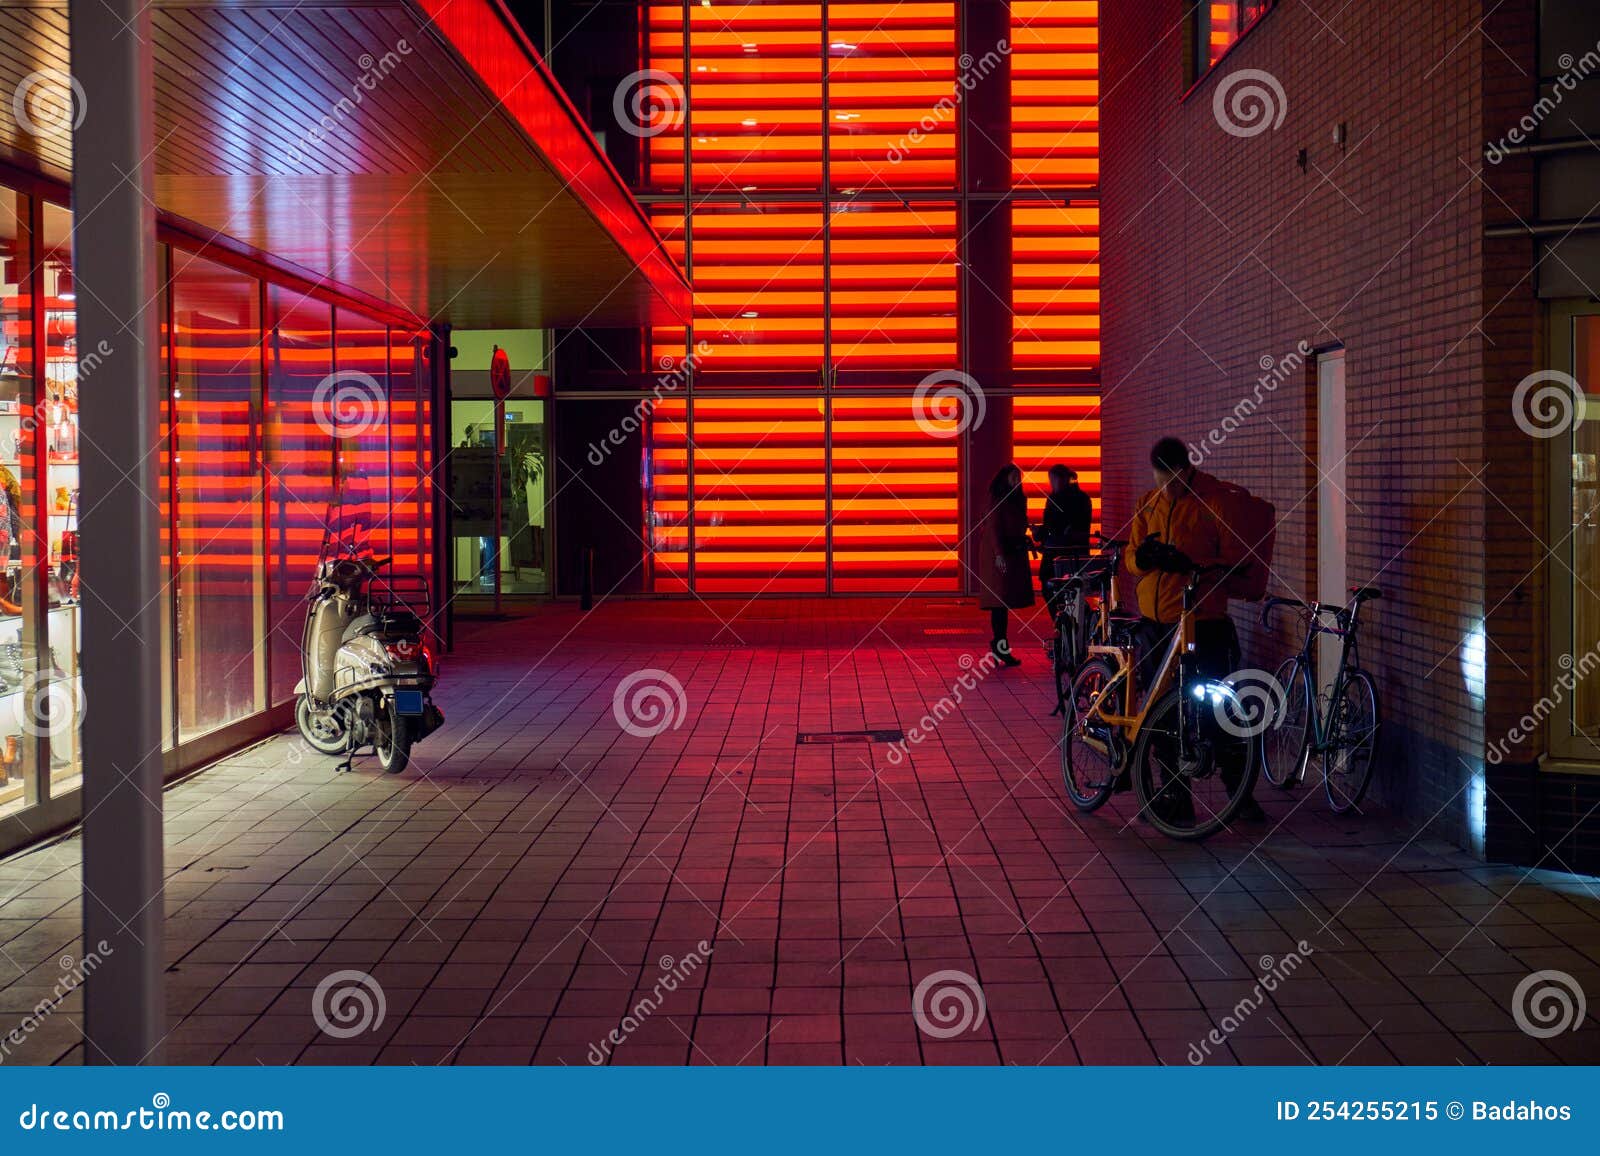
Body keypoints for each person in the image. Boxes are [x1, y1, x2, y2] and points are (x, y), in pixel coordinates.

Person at [1125, 436, 1264, 822]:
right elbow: (1132, 558)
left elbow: (1236, 560)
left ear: (1188, 468)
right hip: (1157, 623)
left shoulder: (1215, 501)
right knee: (1162, 715)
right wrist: (1142, 558)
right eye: (1161, 478)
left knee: (1219, 709)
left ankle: (1240, 796)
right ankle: (1174, 796)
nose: (1167, 487)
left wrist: (1188, 562)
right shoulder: (1148, 503)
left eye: (1174, 478)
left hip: (1203, 621)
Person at [980, 463, 1034, 667]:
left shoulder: (1017, 498)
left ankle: (1000, 646)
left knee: (1002, 604)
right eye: (1014, 478)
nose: (1017, 481)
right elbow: (993, 527)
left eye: (1018, 478)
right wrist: (999, 554)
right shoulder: (999, 499)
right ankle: (1000, 646)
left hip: (1010, 553)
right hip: (1002, 555)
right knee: (999, 603)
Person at [1036, 464, 1093, 614]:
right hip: (1076, 553)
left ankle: (1061, 625)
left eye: (1052, 480)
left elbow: (1052, 526)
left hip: (1056, 552)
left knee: (1050, 588)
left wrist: (1040, 533)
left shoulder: (1055, 499)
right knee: (1073, 590)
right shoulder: (1083, 498)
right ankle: (1073, 625)